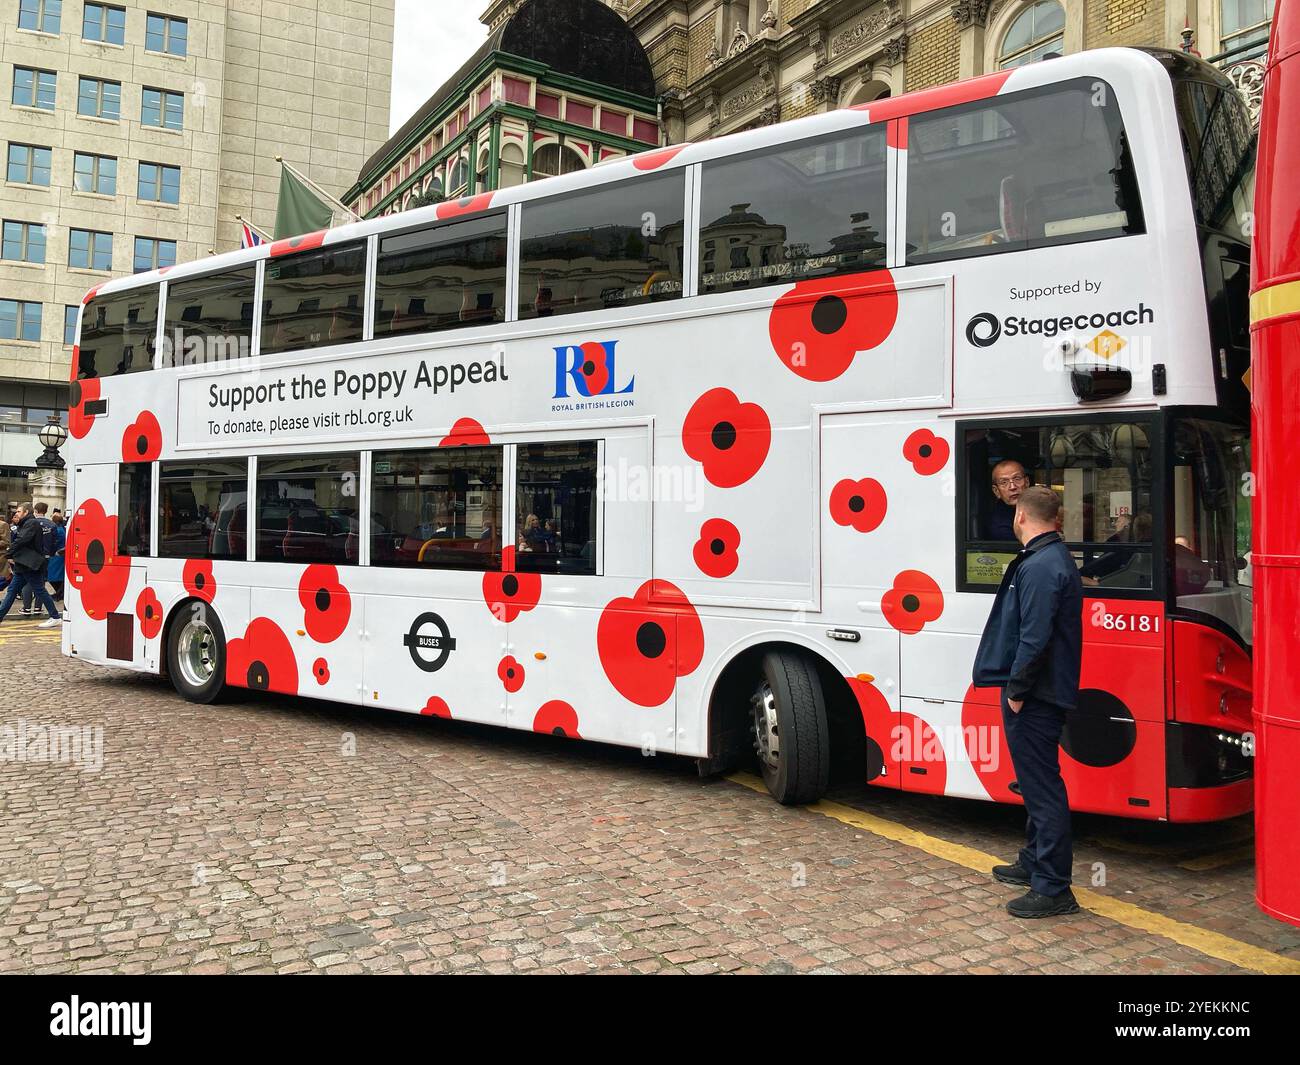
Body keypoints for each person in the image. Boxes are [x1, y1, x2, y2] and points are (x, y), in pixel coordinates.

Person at [972, 485, 1083, 918]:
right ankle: (1034, 860)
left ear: (1020, 517)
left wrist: (1017, 690)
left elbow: (1034, 637)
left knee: (1041, 788)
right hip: (1044, 690)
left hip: (1036, 694)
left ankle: (1053, 887)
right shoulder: (1051, 558)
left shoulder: (1040, 565)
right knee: (1035, 782)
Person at [0, 503, 62, 627]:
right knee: (12, 591)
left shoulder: (31, 523)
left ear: (26, 512)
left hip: (29, 564)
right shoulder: (26, 523)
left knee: (39, 590)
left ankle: (55, 616)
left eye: (18, 511)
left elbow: (22, 540)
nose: (16, 513)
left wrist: (9, 554)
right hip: (24, 564)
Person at [985, 460, 1029, 540]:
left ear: (1027, 482)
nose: (1012, 487)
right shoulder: (1000, 527)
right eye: (1004, 482)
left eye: (1017, 479)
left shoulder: (1039, 508)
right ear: (996, 491)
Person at [47, 510, 67, 602]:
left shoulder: (57, 530)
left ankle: (59, 593)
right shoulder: (62, 529)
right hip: (60, 555)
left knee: (53, 577)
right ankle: (59, 593)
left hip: (56, 554)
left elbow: (53, 542)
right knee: (57, 576)